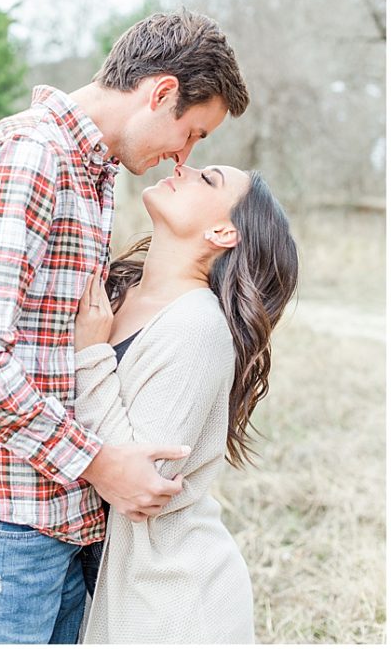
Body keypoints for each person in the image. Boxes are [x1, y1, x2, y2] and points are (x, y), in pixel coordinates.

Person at [0, 10, 251, 643]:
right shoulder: (28, 155)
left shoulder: (95, 175)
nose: (182, 157)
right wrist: (100, 463)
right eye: (190, 133)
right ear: (160, 93)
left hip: (56, 525)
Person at [72, 164, 298, 642]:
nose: (184, 166)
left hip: (174, 601)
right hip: (119, 580)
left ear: (222, 232)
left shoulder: (197, 328)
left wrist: (91, 357)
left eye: (207, 179)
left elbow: (140, 484)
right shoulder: (118, 289)